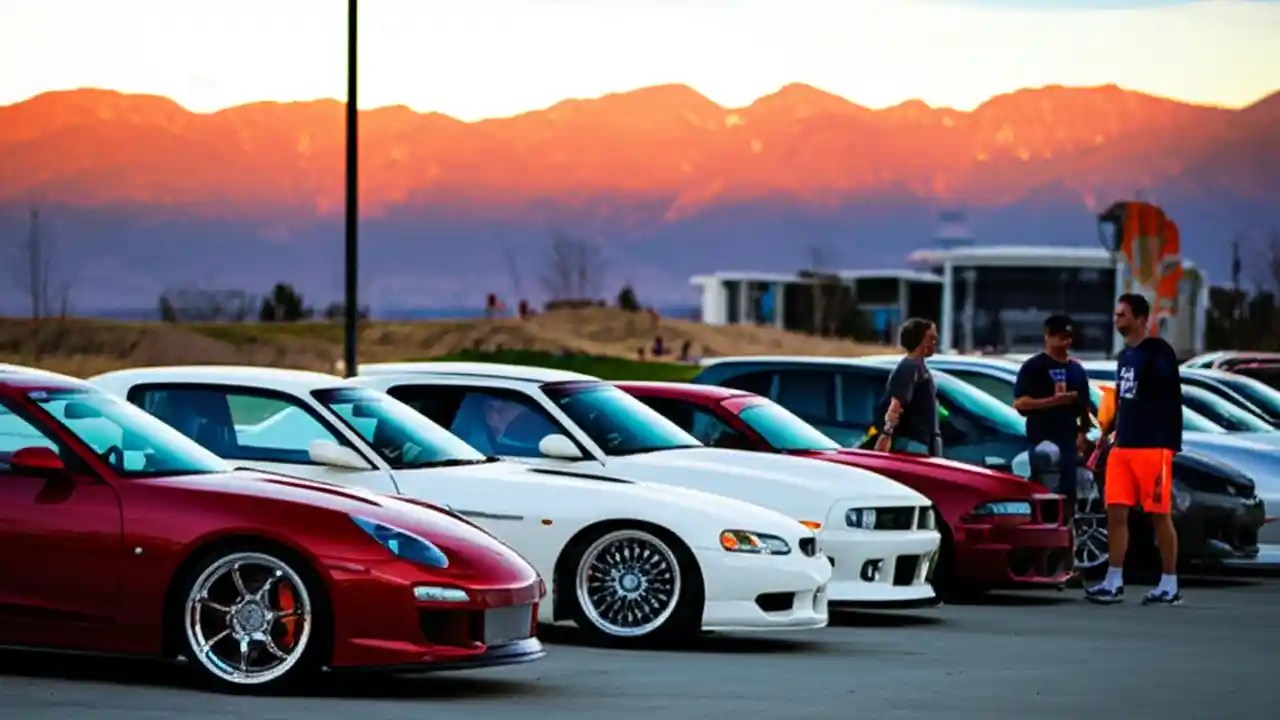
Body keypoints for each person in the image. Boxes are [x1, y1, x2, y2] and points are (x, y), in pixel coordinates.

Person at [1085, 293, 1184, 606]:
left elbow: (1171, 398)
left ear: (1141, 318)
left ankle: (1169, 582)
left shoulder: (1158, 352)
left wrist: (1171, 443)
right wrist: (1108, 430)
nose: (1117, 320)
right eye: (1116, 315)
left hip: (1152, 445)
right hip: (1123, 445)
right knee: (1115, 511)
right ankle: (1113, 580)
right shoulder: (1124, 356)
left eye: (1122, 315)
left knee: (1158, 514)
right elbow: (1125, 399)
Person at [1012, 314, 1093, 510]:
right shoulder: (1034, 367)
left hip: (1068, 438)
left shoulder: (1076, 369)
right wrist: (1053, 401)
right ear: (1047, 336)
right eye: (1059, 337)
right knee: (1043, 490)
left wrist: (1083, 433)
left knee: (1069, 491)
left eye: (1067, 338)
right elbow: (1021, 403)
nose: (1064, 342)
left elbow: (1085, 406)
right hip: (1040, 436)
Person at [873, 318, 941, 456]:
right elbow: (895, 406)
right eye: (931, 338)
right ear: (919, 340)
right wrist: (885, 436)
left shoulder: (920, 367)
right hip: (911, 445)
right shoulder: (908, 367)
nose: (935, 342)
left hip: (922, 442)